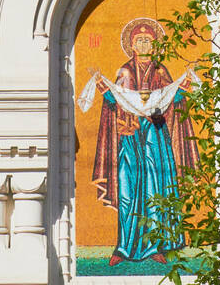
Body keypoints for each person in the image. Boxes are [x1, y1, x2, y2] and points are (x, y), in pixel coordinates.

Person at [83, 17, 199, 267]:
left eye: (149, 40)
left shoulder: (160, 71)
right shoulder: (124, 71)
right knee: (126, 191)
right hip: (130, 137)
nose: (144, 44)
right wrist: (103, 86)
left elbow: (172, 97)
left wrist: (186, 82)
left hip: (155, 140)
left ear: (155, 45)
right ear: (132, 45)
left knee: (154, 191)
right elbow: (114, 101)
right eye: (140, 40)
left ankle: (154, 246)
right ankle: (124, 248)